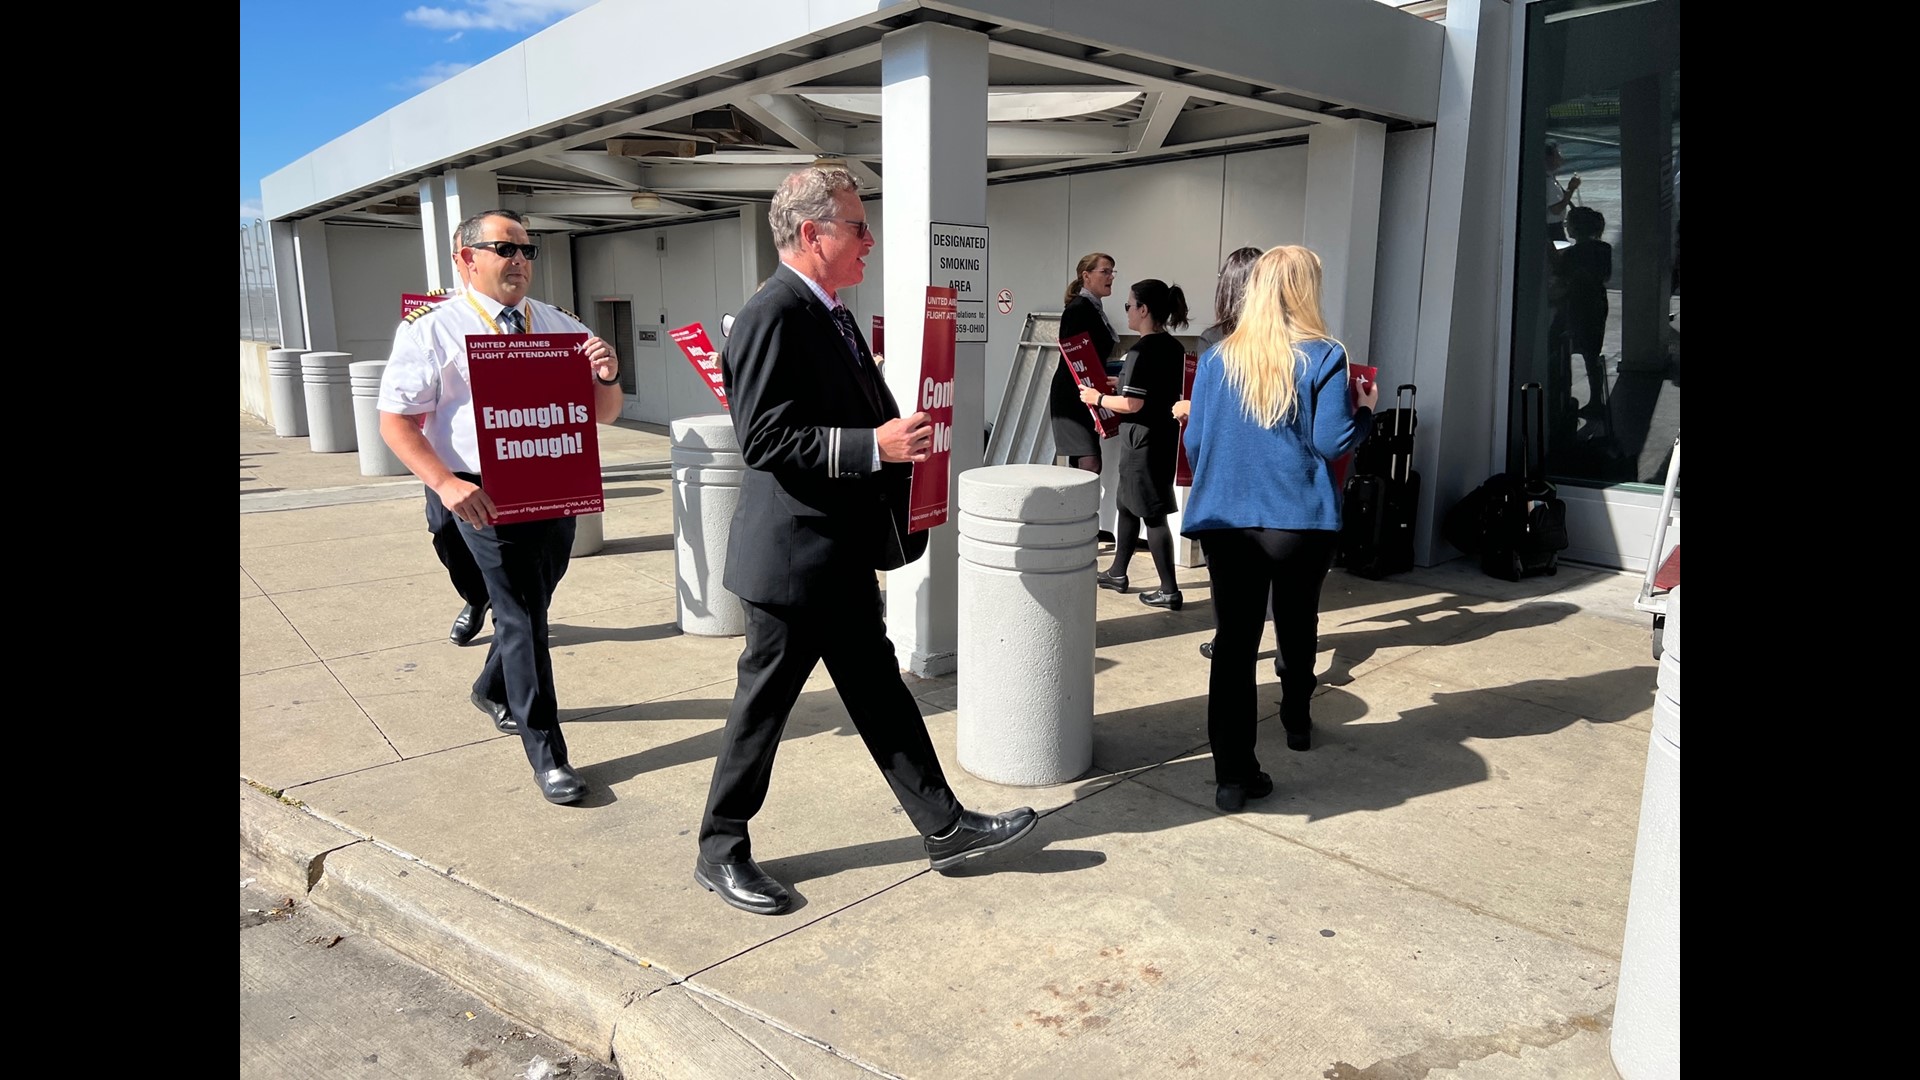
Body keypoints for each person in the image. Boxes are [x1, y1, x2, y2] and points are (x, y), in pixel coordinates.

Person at [694, 167, 1038, 916]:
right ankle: (719, 848)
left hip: (836, 549)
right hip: (792, 559)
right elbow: (761, 437)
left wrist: (893, 437)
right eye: (857, 226)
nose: (869, 239)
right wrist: (869, 445)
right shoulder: (771, 313)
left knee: (881, 693)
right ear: (813, 234)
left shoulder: (830, 312)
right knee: (764, 707)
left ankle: (943, 826)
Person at [377, 209, 626, 804]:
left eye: (526, 251)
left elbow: (605, 412)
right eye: (503, 249)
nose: (519, 261)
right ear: (466, 259)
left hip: (551, 484)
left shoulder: (562, 327)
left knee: (531, 603)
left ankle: (493, 686)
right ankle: (548, 753)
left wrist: (609, 375)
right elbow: (395, 421)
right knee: (521, 616)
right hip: (474, 491)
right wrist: (444, 484)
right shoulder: (432, 331)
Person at [1180, 245, 1378, 812]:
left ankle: (1233, 776)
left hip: (1226, 518)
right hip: (1298, 518)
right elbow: (1332, 442)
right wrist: (1365, 410)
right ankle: (1296, 719)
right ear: (1306, 289)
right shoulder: (1324, 354)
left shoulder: (1219, 357)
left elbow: (1195, 444)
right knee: (1297, 621)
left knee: (1234, 647)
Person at [1083, 278, 1190, 609]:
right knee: (1126, 504)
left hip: (1142, 440)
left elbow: (1133, 405)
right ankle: (1118, 572)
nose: (1126, 310)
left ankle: (1170, 590)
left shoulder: (1141, 350)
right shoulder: (1171, 347)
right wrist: (1122, 381)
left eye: (1129, 305)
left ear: (1143, 310)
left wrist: (1097, 396)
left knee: (1152, 512)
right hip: (1160, 437)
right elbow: (1150, 389)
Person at [1179, 246, 1262, 658]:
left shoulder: (1214, 341)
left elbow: (1200, 431)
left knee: (1228, 581)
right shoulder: (1295, 343)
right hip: (1274, 484)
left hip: (1225, 481)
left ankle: (1226, 637)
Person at [1050, 253, 1119, 485]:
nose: (1110, 277)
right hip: (1073, 394)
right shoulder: (1079, 308)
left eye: (1112, 272)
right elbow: (1073, 353)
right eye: (1105, 271)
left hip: (1086, 391)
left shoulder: (1093, 307)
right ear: (1086, 276)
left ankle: (1077, 514)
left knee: (1085, 462)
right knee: (1089, 462)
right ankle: (1077, 514)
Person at [1559, 205, 1613, 424]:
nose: (1566, 226)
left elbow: (1562, 278)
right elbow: (1606, 276)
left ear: (1576, 228)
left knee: (1568, 352)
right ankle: (1596, 400)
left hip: (1577, 306)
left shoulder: (1571, 253)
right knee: (1592, 355)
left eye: (1569, 223)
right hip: (1598, 303)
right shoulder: (1605, 248)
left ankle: (1565, 400)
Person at [1546, 141, 1581, 242]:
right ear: (1549, 158)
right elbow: (1556, 209)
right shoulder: (1548, 182)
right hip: (1553, 228)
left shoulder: (1550, 177)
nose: (1561, 160)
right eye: (1557, 156)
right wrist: (1571, 188)